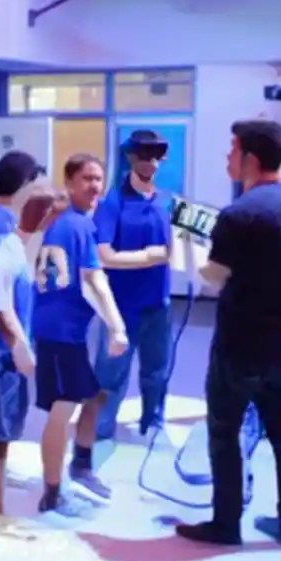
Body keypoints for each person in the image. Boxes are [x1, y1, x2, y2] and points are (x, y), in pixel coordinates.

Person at [175, 120, 281, 548]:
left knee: (224, 432)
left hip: (239, 343)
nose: (227, 158)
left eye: (231, 150)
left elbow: (213, 280)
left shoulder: (238, 214)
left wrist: (186, 250)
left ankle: (225, 525)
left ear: (250, 159)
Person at [32, 153, 129, 516]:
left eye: (99, 179)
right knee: (62, 414)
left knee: (92, 396)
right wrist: (116, 327)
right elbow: (94, 280)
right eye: (86, 179)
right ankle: (53, 492)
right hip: (59, 335)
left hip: (65, 331)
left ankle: (81, 464)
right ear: (69, 183)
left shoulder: (68, 223)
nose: (94, 186)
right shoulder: (77, 226)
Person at [0, 150, 54, 516]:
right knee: (2, 423)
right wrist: (16, 339)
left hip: (15, 332)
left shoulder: (12, 221)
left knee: (2, 411)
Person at [92, 130, 173, 446]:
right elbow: (103, 255)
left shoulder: (165, 201)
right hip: (122, 306)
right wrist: (148, 257)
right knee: (111, 373)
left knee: (156, 370)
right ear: (131, 158)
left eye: (155, 157)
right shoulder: (112, 203)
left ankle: (152, 420)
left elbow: (181, 245)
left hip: (158, 302)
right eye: (144, 156)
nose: (150, 163)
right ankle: (99, 430)